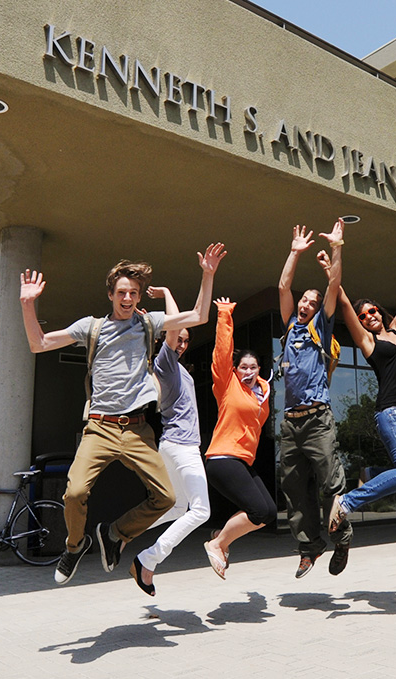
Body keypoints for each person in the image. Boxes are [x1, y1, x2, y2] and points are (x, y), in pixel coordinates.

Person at [20, 260, 182, 585]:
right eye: (122, 292)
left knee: (166, 498)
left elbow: (196, 317)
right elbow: (38, 344)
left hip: (137, 429)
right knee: (74, 492)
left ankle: (114, 534)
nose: (128, 298)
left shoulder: (147, 325)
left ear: (138, 297)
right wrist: (28, 304)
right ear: (111, 294)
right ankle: (75, 545)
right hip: (99, 427)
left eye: (133, 293)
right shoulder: (91, 328)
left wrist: (207, 274)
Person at [323, 242, 396, 541]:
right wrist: (331, 272)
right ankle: (347, 501)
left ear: (380, 311)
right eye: (364, 316)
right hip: (392, 413)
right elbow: (345, 305)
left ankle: (371, 476)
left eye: (372, 310)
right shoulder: (369, 343)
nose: (369, 316)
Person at [128, 243, 226, 596]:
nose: (182, 343)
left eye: (186, 340)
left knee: (179, 506)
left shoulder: (181, 369)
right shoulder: (164, 363)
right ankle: (148, 561)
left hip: (177, 445)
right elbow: (173, 327)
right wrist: (169, 292)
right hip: (181, 445)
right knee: (200, 511)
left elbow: (179, 328)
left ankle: (124, 532)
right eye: (178, 339)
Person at [278, 220, 353, 578]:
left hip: (318, 418)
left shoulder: (319, 327)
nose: (306, 305)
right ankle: (309, 547)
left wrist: (337, 248)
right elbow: (283, 286)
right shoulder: (290, 327)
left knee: (329, 482)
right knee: (294, 487)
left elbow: (334, 285)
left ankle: (341, 538)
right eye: (304, 301)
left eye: (312, 302)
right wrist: (294, 253)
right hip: (290, 422)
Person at [201, 297, 275, 580]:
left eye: (253, 367)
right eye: (243, 367)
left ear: (259, 370)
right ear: (235, 369)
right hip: (223, 458)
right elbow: (222, 351)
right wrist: (224, 314)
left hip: (242, 461)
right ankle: (218, 543)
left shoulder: (262, 394)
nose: (248, 372)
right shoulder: (226, 383)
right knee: (256, 510)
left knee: (267, 512)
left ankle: (221, 535)